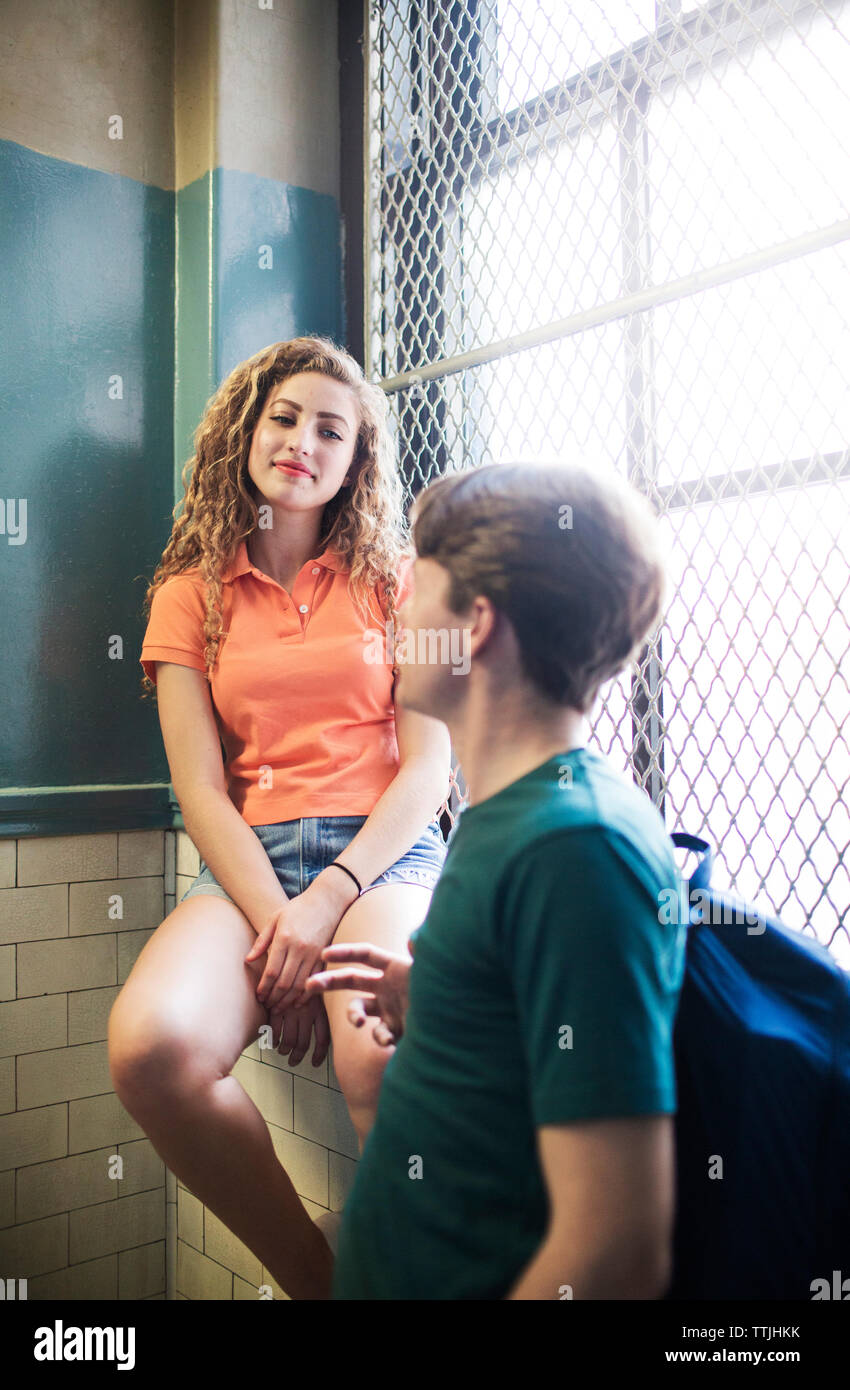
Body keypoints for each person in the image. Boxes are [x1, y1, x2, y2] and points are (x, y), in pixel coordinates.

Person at [107, 337, 452, 1301]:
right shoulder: (190, 595)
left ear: (355, 463)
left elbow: (430, 769)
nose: (303, 441)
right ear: (248, 434)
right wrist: (277, 923)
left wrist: (325, 907)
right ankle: (317, 1280)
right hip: (252, 863)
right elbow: (203, 792)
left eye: (331, 430)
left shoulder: (400, 584)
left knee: (373, 1043)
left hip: (382, 857)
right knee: (151, 1048)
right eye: (286, 417)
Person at [303, 460, 687, 1299]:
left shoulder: (576, 849)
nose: (394, 615)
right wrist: (438, 994)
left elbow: (615, 1250)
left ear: (475, 623)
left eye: (415, 589)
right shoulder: (506, 817)